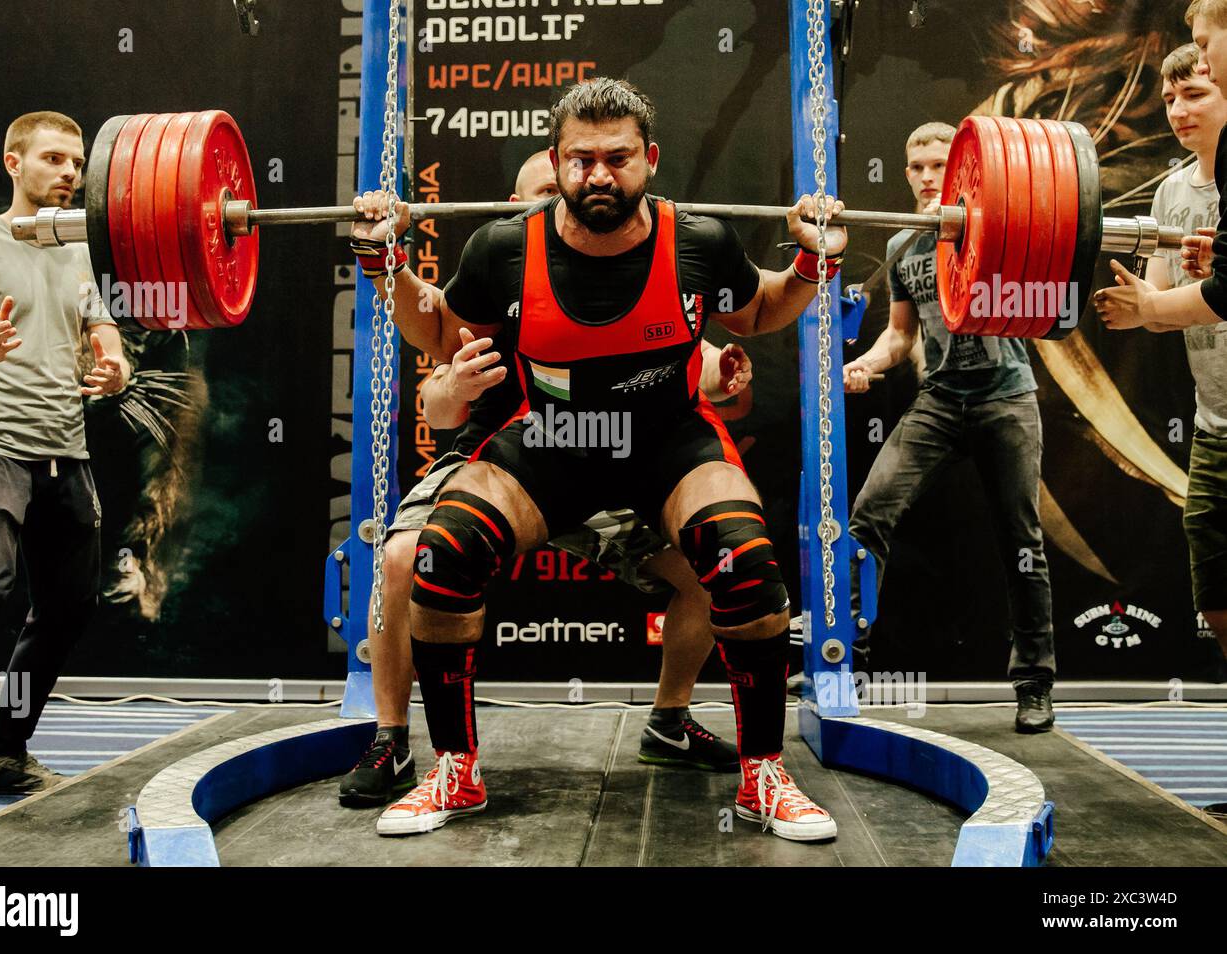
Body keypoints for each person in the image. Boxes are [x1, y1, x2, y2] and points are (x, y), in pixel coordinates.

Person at [351, 77, 848, 842]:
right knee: (443, 549)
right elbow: (442, 336)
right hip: (554, 442)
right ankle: (454, 769)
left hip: (665, 441)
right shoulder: (503, 249)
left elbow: (758, 311)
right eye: (580, 160)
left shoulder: (700, 242)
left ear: (649, 159)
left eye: (616, 158)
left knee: (743, 554)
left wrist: (813, 263)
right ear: (558, 160)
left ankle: (763, 777)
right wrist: (389, 266)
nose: (597, 176)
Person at [338, 149, 755, 807]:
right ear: (514, 211)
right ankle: (392, 738)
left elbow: (693, 363)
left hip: (604, 462)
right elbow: (437, 410)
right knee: (400, 558)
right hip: (499, 464)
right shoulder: (491, 276)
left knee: (717, 569)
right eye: (541, 196)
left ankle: (669, 722)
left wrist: (723, 372)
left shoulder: (627, 277)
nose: (556, 209)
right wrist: (458, 383)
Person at [0, 111, 127, 837]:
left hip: (63, 454)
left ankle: (5, 755)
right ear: (13, 164)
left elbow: (105, 338)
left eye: (76, 162)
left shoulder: (78, 250)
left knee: (71, 607)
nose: (70, 173)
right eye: (53, 159)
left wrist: (113, 366)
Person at [842, 122, 1057, 733]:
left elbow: (1039, 303)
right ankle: (846, 668)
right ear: (906, 173)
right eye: (917, 166)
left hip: (1006, 398)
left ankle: (1035, 683)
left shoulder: (998, 229)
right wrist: (864, 365)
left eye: (940, 164)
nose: (929, 175)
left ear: (961, 170)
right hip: (940, 400)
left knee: (1023, 540)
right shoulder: (903, 247)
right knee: (868, 517)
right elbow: (900, 337)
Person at [1094, 30, 1227, 657]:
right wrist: (1138, 311)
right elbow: (1162, 305)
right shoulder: (1171, 192)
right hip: (1213, 424)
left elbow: (1198, 299)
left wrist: (1155, 306)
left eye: (1195, 93)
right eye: (1170, 98)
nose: (1179, 110)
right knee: (1215, 590)